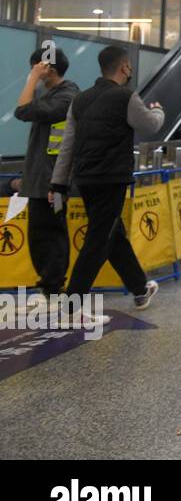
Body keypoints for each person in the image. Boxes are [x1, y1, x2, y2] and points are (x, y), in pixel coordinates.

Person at [49, 45, 164, 314]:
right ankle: (72, 302)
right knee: (100, 238)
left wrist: (58, 184)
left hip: (85, 179)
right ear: (124, 66)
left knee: (113, 233)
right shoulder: (126, 97)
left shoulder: (80, 100)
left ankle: (140, 290)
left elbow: (67, 145)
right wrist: (157, 110)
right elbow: (150, 125)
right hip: (111, 178)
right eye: (129, 66)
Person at [13, 47, 80, 308]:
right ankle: (48, 288)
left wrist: (32, 79)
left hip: (53, 180)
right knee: (40, 234)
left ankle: (54, 289)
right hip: (41, 177)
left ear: (48, 68)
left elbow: (22, 111)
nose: (33, 73)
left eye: (36, 67)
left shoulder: (67, 97)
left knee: (51, 235)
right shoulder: (52, 94)